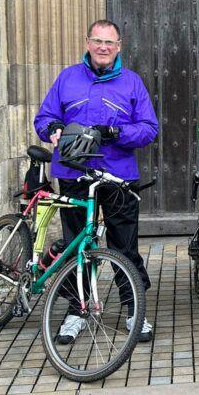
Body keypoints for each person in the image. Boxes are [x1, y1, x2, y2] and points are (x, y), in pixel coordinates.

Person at [34, 19, 159, 343]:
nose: (103, 47)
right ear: (88, 42)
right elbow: (44, 117)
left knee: (124, 246)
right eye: (97, 41)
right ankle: (77, 310)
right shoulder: (67, 78)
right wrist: (51, 130)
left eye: (110, 42)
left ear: (119, 47)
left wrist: (117, 132)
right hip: (74, 173)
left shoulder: (132, 83)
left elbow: (149, 128)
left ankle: (134, 309)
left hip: (118, 175)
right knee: (77, 244)